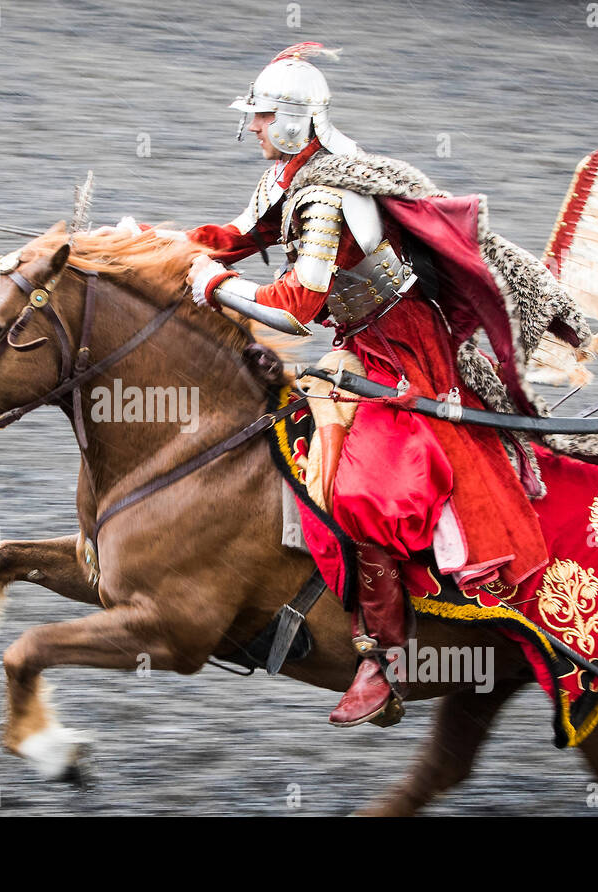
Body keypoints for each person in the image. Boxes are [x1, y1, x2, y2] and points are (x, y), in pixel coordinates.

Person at [182, 43, 553, 727]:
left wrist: (218, 286)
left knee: (362, 490)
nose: (253, 128)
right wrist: (152, 248)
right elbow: (231, 235)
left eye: (261, 116)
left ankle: (384, 661)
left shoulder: (324, 192)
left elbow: (292, 307)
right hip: (359, 344)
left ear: (294, 120)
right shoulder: (290, 176)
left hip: (402, 354)